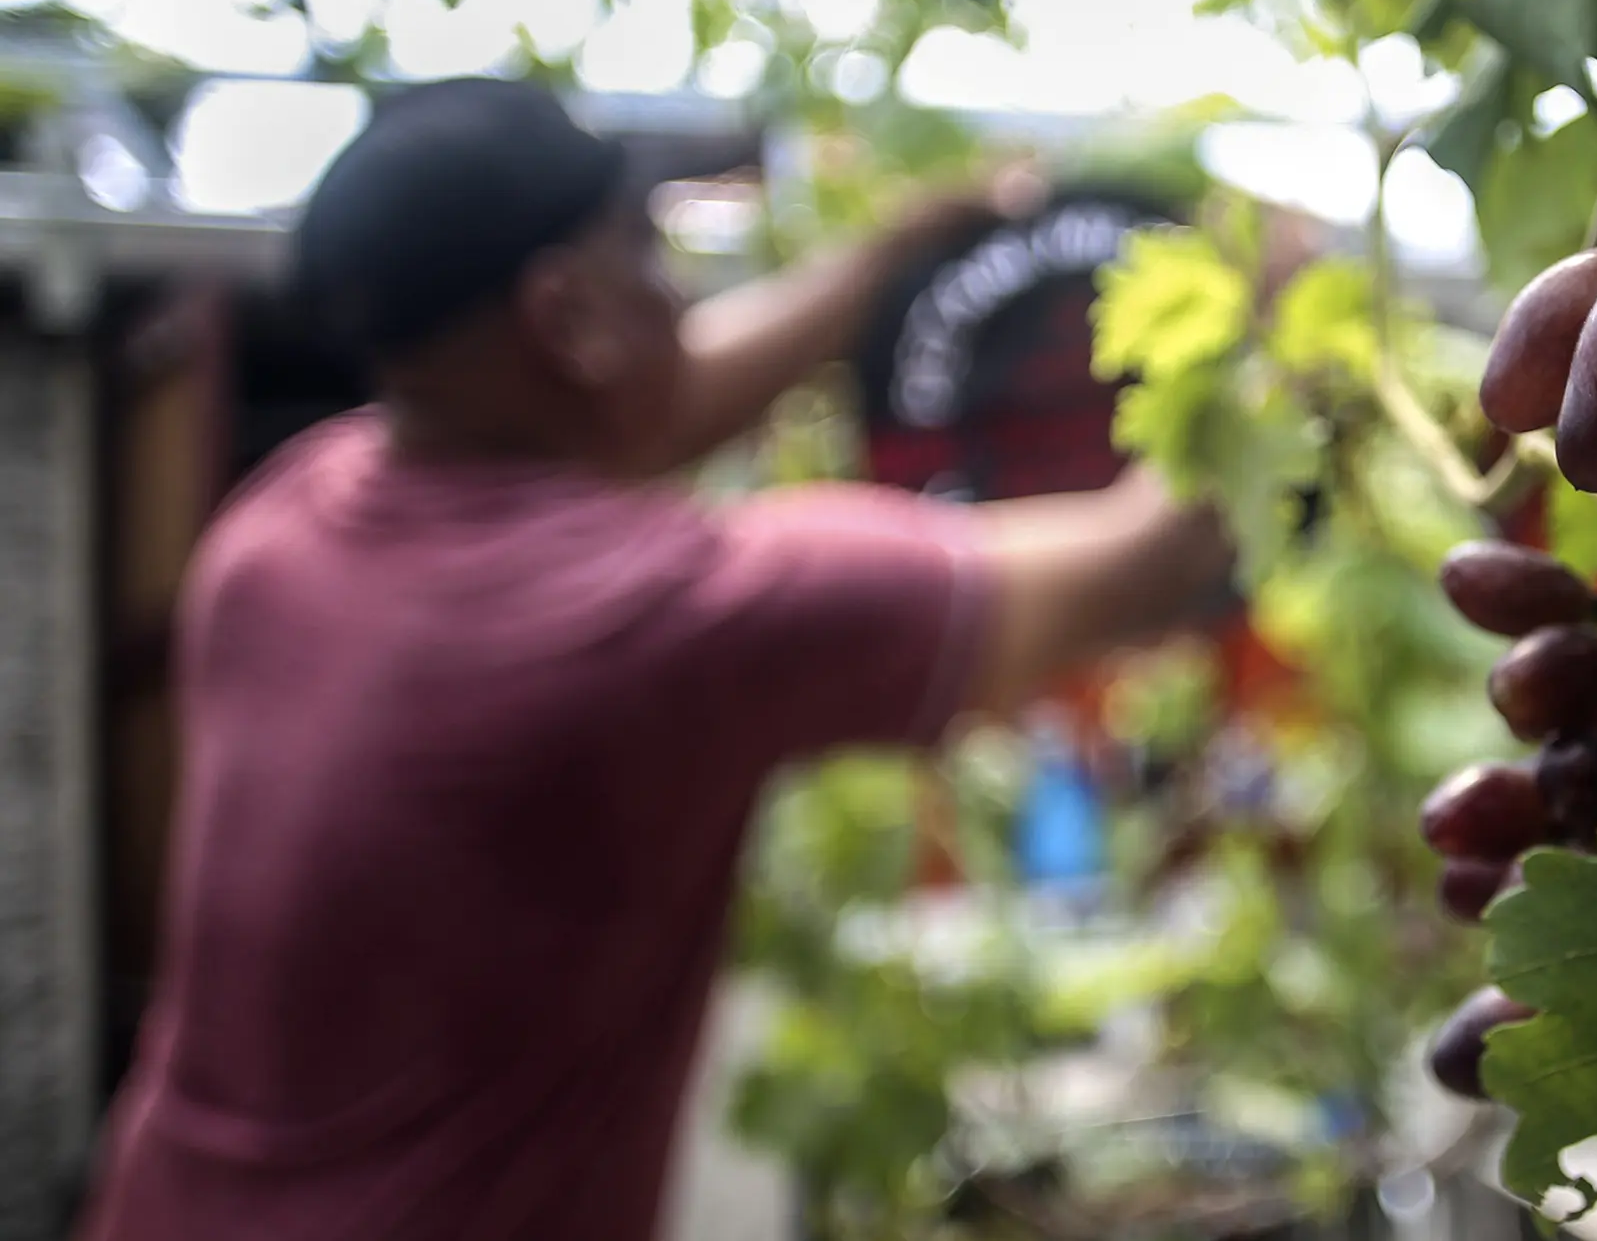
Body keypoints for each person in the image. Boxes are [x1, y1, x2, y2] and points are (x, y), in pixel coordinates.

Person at [75, 78, 1234, 1240]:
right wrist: (1262, 314)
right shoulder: (658, 621)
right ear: (569, 314)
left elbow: (647, 406)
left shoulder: (279, 524)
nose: (679, 295)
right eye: (652, 253)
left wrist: (884, 256)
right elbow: (1141, 558)